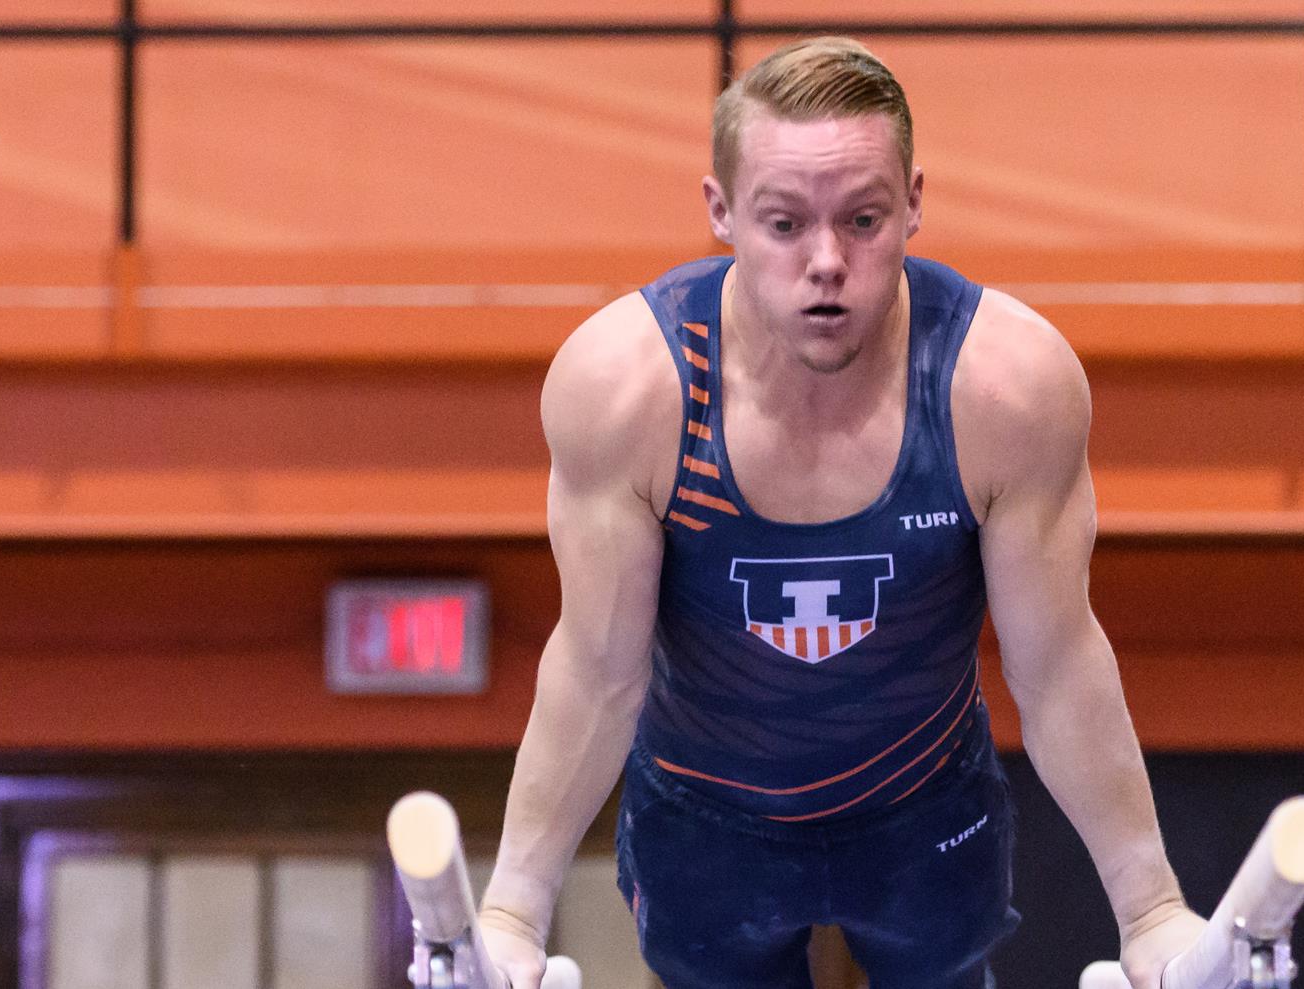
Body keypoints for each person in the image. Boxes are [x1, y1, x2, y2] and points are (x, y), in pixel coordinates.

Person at [476, 36, 1205, 989]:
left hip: (925, 806)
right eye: (785, 224)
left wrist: (1150, 907)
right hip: (704, 814)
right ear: (720, 213)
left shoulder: (1004, 387)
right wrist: (513, 907)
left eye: (863, 219)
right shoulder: (630, 387)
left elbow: (1058, 663)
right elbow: (597, 669)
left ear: (914, 205)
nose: (828, 262)